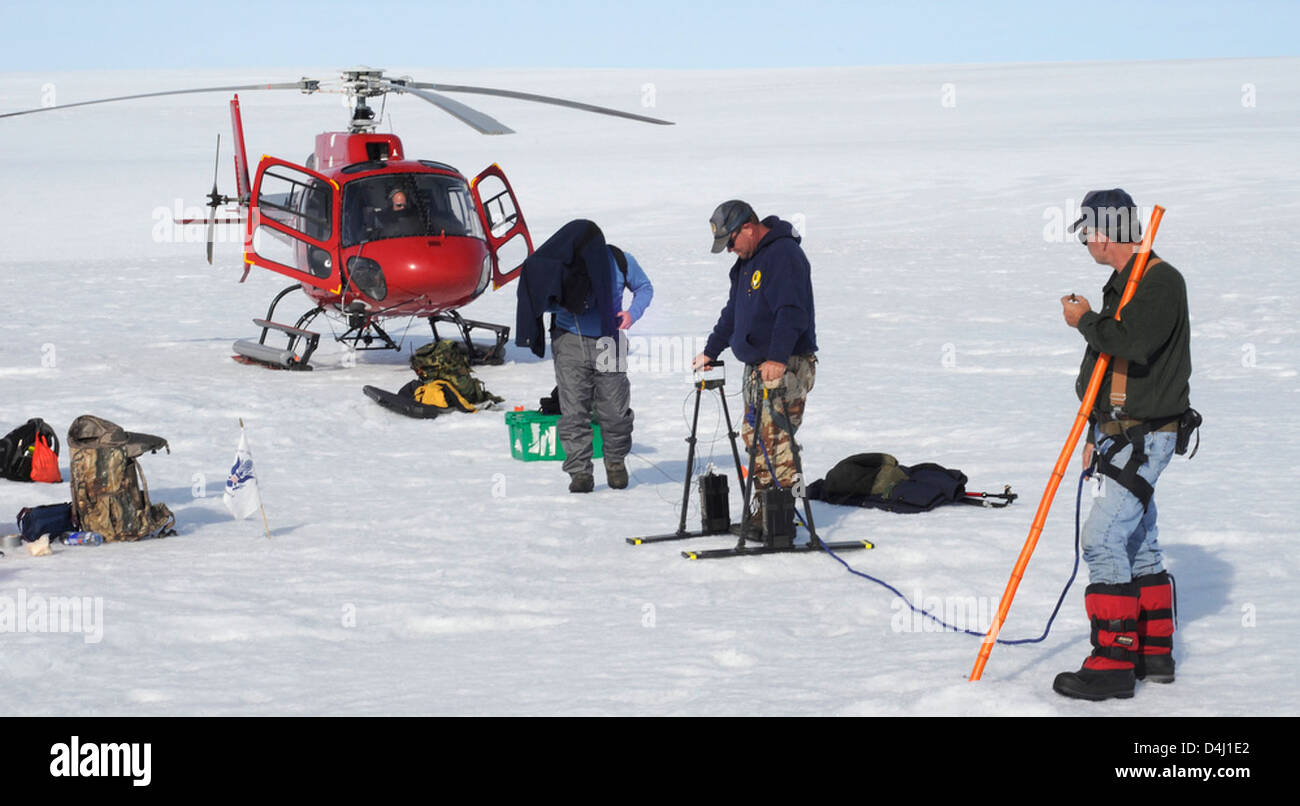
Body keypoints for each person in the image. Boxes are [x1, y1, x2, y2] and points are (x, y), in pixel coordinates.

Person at [1053, 188, 1191, 701]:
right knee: (1137, 543)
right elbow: (1110, 367)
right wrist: (1095, 430)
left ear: (1104, 232)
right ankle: (1153, 653)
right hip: (1118, 433)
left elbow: (1129, 343)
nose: (1084, 241)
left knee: (1103, 541)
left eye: (1086, 231)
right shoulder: (1122, 283)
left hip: (1145, 435)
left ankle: (1111, 663)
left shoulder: (1160, 281)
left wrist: (1085, 321)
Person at [691, 200, 817, 530]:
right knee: (755, 439)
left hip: (785, 363)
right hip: (758, 367)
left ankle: (781, 520)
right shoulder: (747, 263)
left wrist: (776, 357)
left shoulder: (784, 256)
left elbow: (792, 311)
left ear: (748, 227)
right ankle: (767, 509)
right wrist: (711, 350)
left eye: (731, 242)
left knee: (776, 441)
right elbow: (733, 313)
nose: (731, 250)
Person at [551, 243, 653, 493]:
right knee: (575, 411)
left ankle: (616, 463)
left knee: (615, 410)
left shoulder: (619, 260)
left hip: (610, 340)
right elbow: (542, 297)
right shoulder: (564, 261)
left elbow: (644, 288)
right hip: (571, 341)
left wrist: (632, 314)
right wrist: (561, 302)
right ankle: (580, 472)